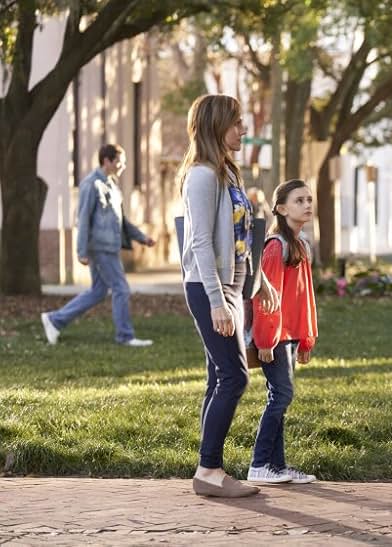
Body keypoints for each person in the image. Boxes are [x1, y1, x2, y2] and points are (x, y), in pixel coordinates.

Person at [179, 94, 277, 498]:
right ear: (216, 126)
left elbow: (239, 238)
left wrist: (258, 283)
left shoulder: (228, 173)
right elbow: (200, 241)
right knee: (234, 376)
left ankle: (208, 469)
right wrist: (218, 301)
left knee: (218, 376)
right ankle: (209, 470)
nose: (243, 130)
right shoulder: (201, 176)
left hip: (230, 287)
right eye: (237, 123)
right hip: (207, 288)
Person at [41, 144, 156, 347]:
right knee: (121, 288)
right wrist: (81, 251)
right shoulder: (91, 185)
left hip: (110, 247)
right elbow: (83, 219)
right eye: (121, 161)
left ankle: (54, 320)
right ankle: (125, 336)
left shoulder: (112, 186)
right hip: (100, 248)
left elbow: (123, 222)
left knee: (98, 292)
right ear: (107, 161)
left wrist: (142, 238)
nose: (124, 165)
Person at [247, 179, 318, 485]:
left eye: (309, 199)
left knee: (281, 397)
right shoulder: (276, 246)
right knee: (281, 395)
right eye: (299, 200)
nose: (307, 204)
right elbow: (265, 298)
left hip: (289, 336)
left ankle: (277, 466)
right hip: (273, 338)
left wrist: (306, 339)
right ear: (281, 208)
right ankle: (260, 463)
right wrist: (265, 340)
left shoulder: (301, 246)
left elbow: (304, 299)